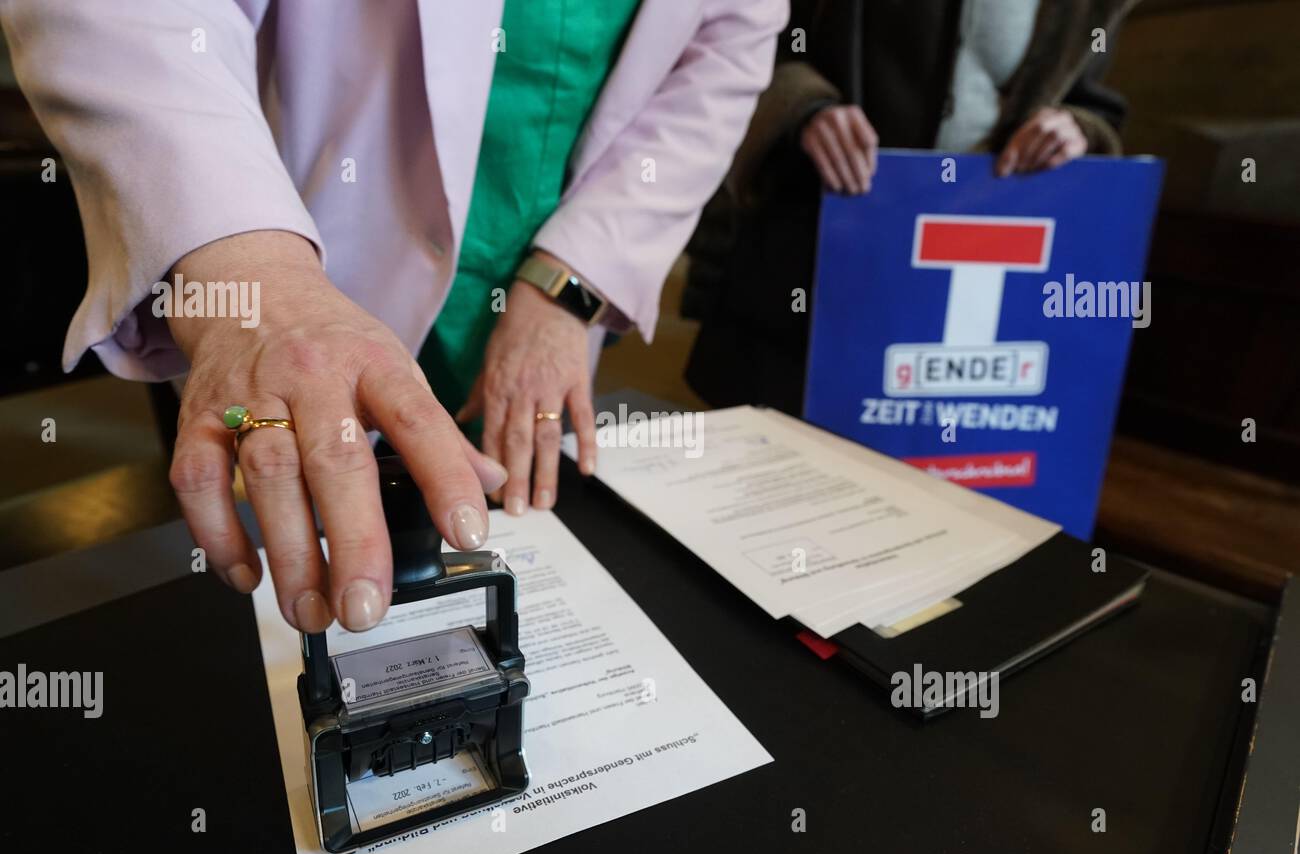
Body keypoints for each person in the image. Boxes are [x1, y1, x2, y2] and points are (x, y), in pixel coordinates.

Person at [0, 0, 787, 632]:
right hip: (295, 257)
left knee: (515, 547)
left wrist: (570, 285)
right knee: (271, 570)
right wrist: (256, 278)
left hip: (550, 266)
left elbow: (728, 43)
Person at [683, 0, 1136, 415]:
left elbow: (1092, 102)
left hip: (981, 287)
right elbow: (743, 44)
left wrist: (1076, 128)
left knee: (941, 477)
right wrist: (805, 106)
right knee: (771, 472)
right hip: (816, 257)